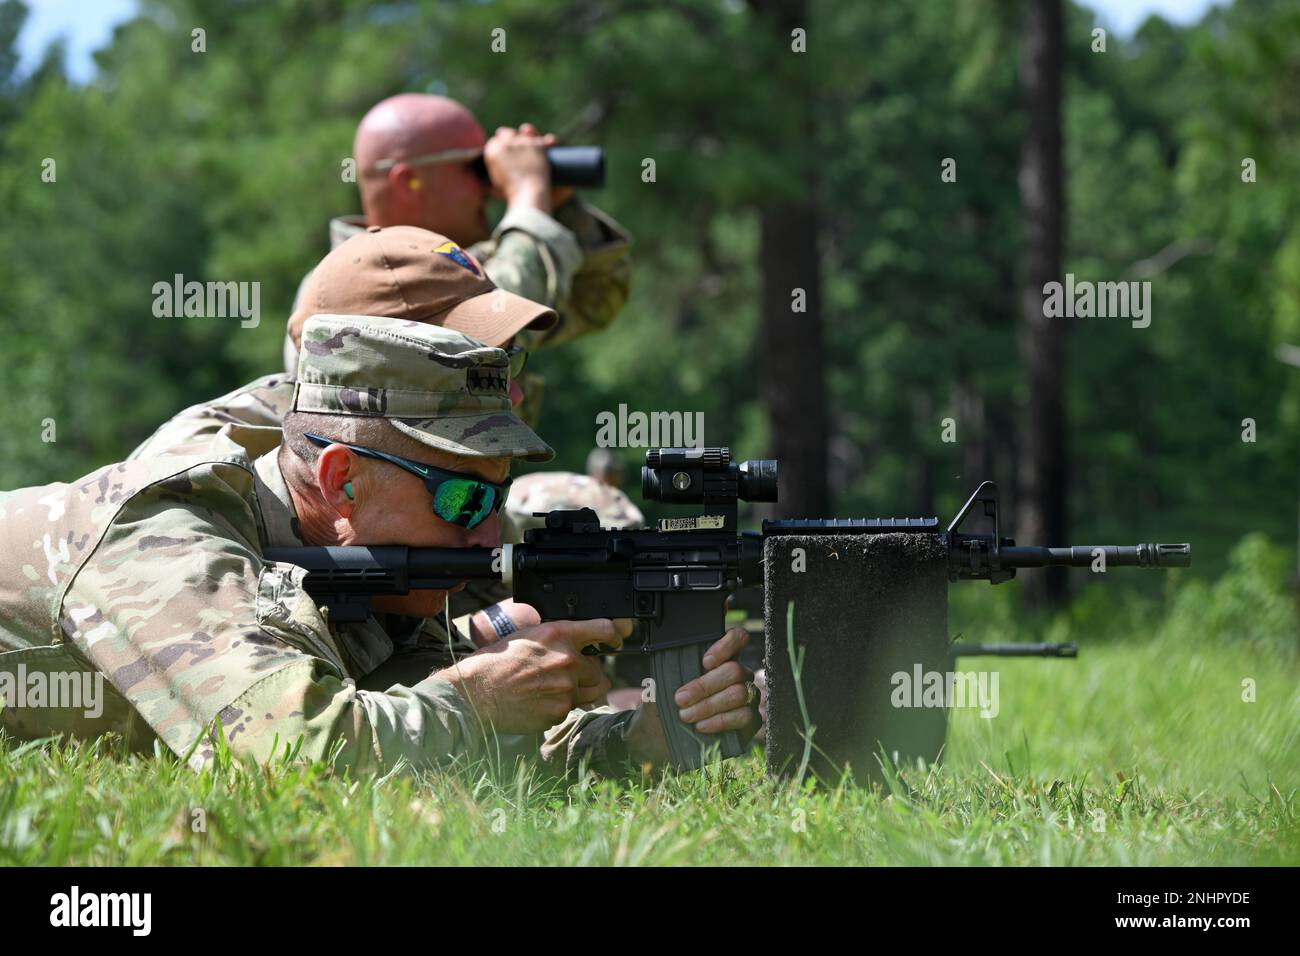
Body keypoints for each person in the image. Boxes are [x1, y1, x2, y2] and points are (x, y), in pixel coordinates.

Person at [0, 317, 758, 776]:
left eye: (495, 494)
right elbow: (291, 758)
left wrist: (641, 739)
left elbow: (452, 751)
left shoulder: (372, 578)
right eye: (461, 496)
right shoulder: (164, 532)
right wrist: (478, 699)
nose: (486, 531)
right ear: (341, 479)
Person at [285, 92, 632, 420]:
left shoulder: (461, 268)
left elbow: (596, 300)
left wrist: (558, 206)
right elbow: (480, 343)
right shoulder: (343, 291)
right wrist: (529, 197)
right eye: (475, 167)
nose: (488, 184)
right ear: (409, 182)